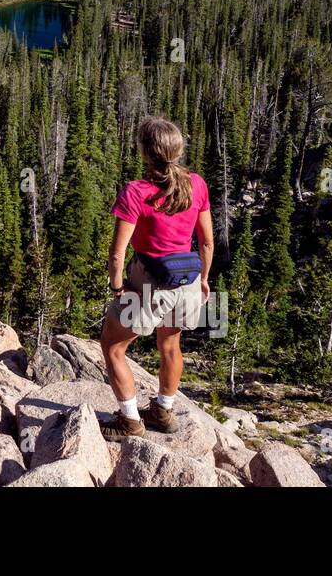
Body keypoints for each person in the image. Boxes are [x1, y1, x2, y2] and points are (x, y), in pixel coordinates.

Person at [100, 116, 214, 440]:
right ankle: (163, 410)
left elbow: (117, 253)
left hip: (150, 282)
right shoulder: (197, 185)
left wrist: (118, 286)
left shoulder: (137, 192)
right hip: (187, 281)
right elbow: (206, 242)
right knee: (170, 346)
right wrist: (204, 278)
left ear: (145, 153)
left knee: (113, 346)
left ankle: (130, 421)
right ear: (177, 151)